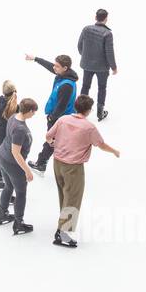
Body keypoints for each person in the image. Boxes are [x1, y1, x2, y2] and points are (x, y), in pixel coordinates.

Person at [46, 94, 120, 248]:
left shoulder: (63, 120)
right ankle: (63, 233)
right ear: (88, 111)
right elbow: (100, 144)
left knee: (64, 195)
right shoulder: (88, 127)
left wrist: (54, 143)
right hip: (73, 167)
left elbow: (48, 136)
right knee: (73, 199)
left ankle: (62, 224)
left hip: (57, 163)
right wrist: (114, 151)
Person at [24, 53, 79, 174]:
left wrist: (51, 118)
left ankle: (41, 164)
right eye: (55, 65)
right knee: (56, 141)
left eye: (57, 66)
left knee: (51, 141)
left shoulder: (66, 85)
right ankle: (47, 163)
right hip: (60, 117)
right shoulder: (65, 75)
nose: (54, 68)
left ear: (65, 68)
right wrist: (36, 59)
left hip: (59, 118)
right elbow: (51, 66)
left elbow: (61, 105)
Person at [0, 97, 39, 235]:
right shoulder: (20, 129)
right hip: (13, 164)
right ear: (29, 111)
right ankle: (19, 223)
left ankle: (2, 214)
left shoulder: (14, 117)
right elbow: (16, 153)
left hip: (2, 157)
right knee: (21, 192)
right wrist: (27, 171)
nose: (34, 114)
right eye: (34, 112)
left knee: (9, 186)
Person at [77, 9, 117, 122]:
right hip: (102, 67)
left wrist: (85, 56)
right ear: (106, 19)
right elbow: (109, 52)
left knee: (85, 86)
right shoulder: (107, 33)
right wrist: (113, 67)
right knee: (102, 88)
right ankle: (100, 112)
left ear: (95, 17)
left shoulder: (86, 29)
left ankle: (80, 110)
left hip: (87, 64)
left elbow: (79, 45)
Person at [0, 80, 18, 192]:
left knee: (3, 157)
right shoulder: (17, 106)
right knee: (8, 159)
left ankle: (0, 178)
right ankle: (2, 179)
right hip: (10, 135)